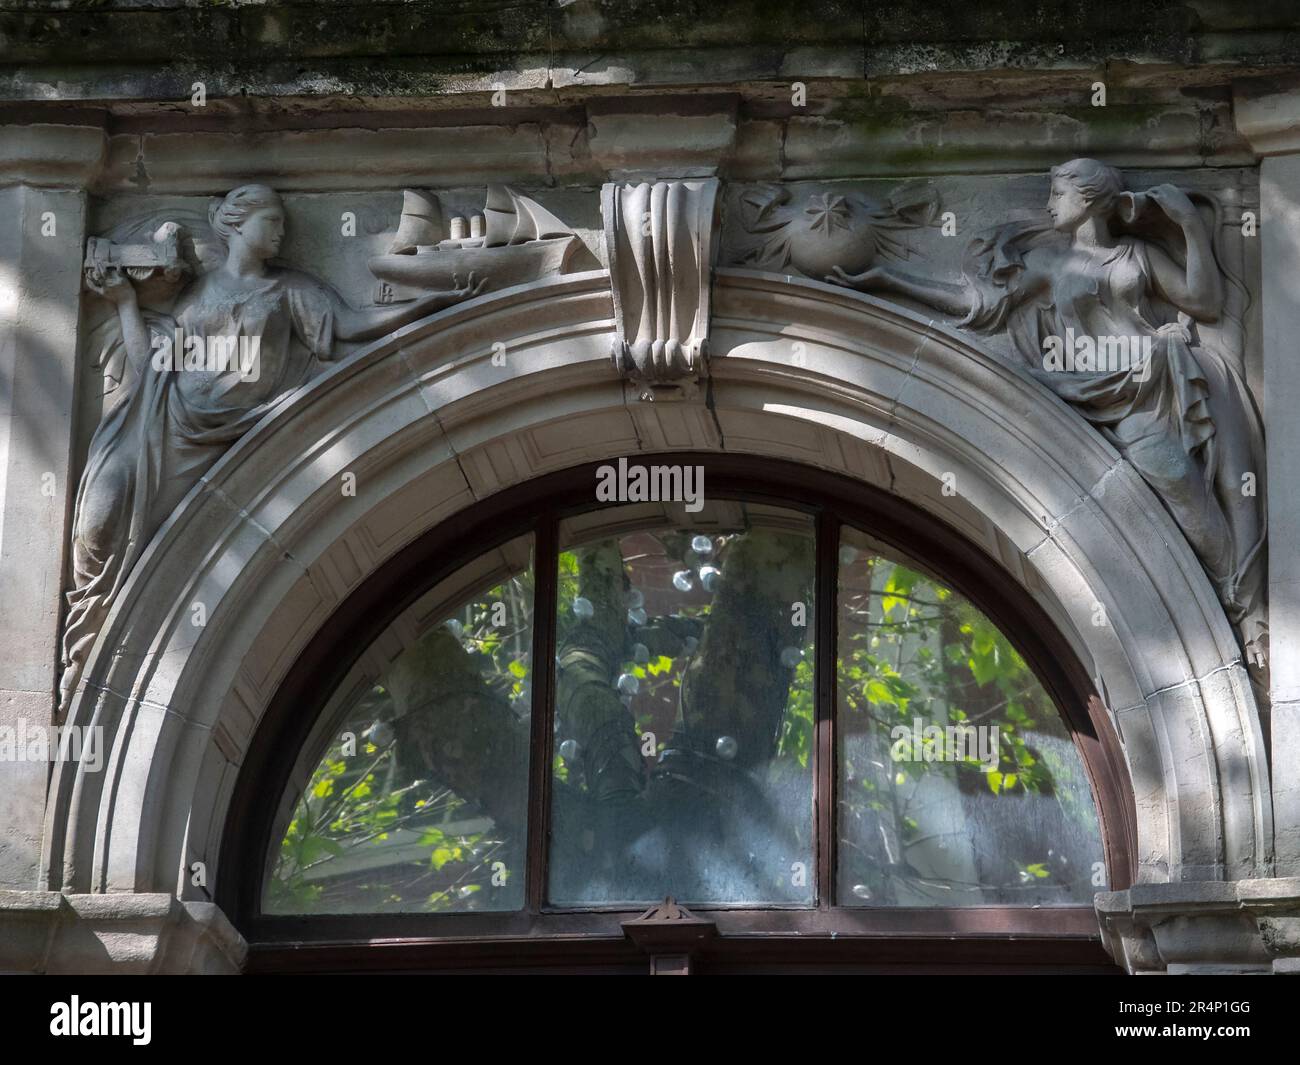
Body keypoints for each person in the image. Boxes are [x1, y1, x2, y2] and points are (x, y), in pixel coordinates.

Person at [61, 184, 486, 712]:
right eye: (272, 221)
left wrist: (433, 303)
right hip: (159, 421)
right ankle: (90, 646)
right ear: (236, 224)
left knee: (145, 553)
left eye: (283, 222)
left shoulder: (291, 291)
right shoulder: (192, 291)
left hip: (231, 437)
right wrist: (126, 301)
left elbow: (353, 325)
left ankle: (103, 654)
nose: (282, 232)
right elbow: (151, 363)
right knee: (96, 524)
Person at [828, 159, 1267, 667]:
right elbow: (980, 304)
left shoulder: (1139, 254)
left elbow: (1205, 301)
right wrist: (892, 280)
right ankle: (1211, 604)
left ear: (1090, 199)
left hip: (1153, 383)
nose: (1048, 204)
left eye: (1058, 194)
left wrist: (1189, 224)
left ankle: (1237, 598)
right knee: (1156, 475)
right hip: (1088, 389)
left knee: (1180, 477)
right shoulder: (1050, 264)